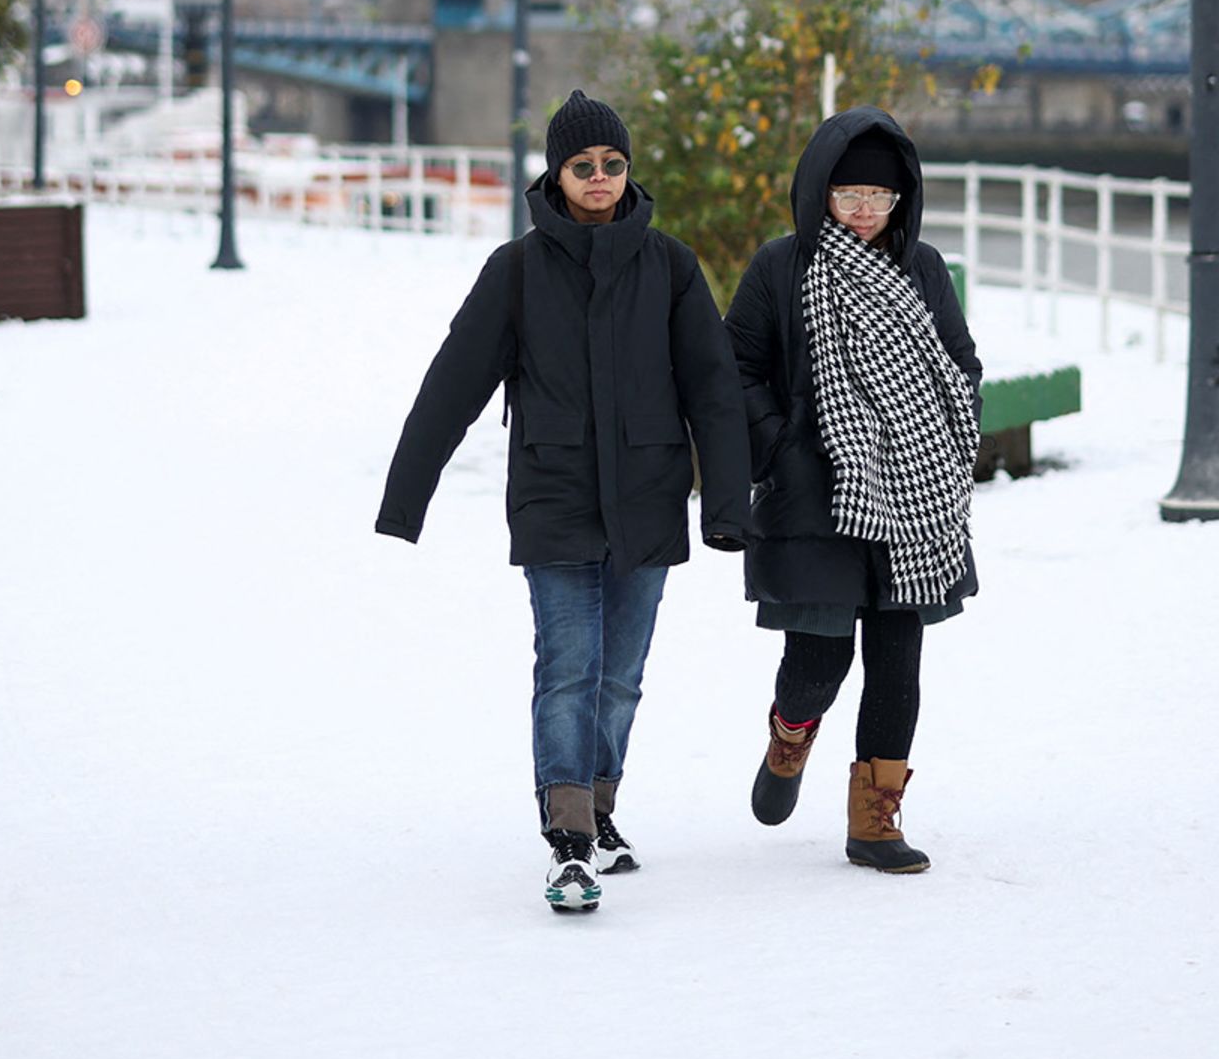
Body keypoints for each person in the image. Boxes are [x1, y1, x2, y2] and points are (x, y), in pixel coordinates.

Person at [377, 89, 752, 916]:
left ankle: (603, 810)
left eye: (613, 164)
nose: (600, 178)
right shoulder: (515, 271)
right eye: (583, 166)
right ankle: (570, 842)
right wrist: (407, 499)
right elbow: (454, 385)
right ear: (557, 172)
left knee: (620, 678)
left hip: (650, 499)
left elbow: (714, 393)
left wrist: (727, 504)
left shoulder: (672, 267)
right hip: (553, 498)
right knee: (570, 670)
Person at [726, 107, 981, 875]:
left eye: (882, 198)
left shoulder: (922, 268)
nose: (867, 213)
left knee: (898, 663)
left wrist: (936, 433)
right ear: (819, 192)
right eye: (851, 196)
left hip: (914, 499)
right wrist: (784, 444)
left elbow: (960, 362)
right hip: (815, 501)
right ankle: (790, 733)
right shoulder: (782, 267)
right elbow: (734, 369)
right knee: (819, 661)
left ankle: (875, 820)